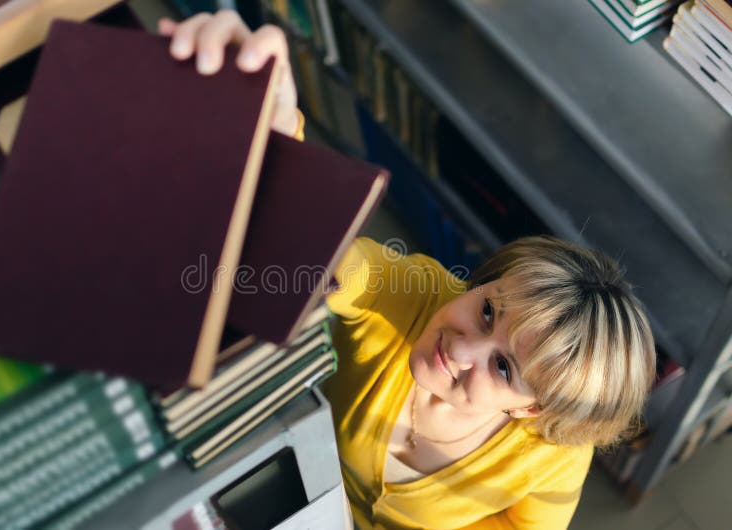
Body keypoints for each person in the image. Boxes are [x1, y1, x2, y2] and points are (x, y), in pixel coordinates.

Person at [159, 11, 656, 529]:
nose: (461, 348)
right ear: (485, 281)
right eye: (487, 310)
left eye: (504, 368)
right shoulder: (411, 294)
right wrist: (279, 124)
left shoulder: (552, 455)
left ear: (531, 411)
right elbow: (319, 252)